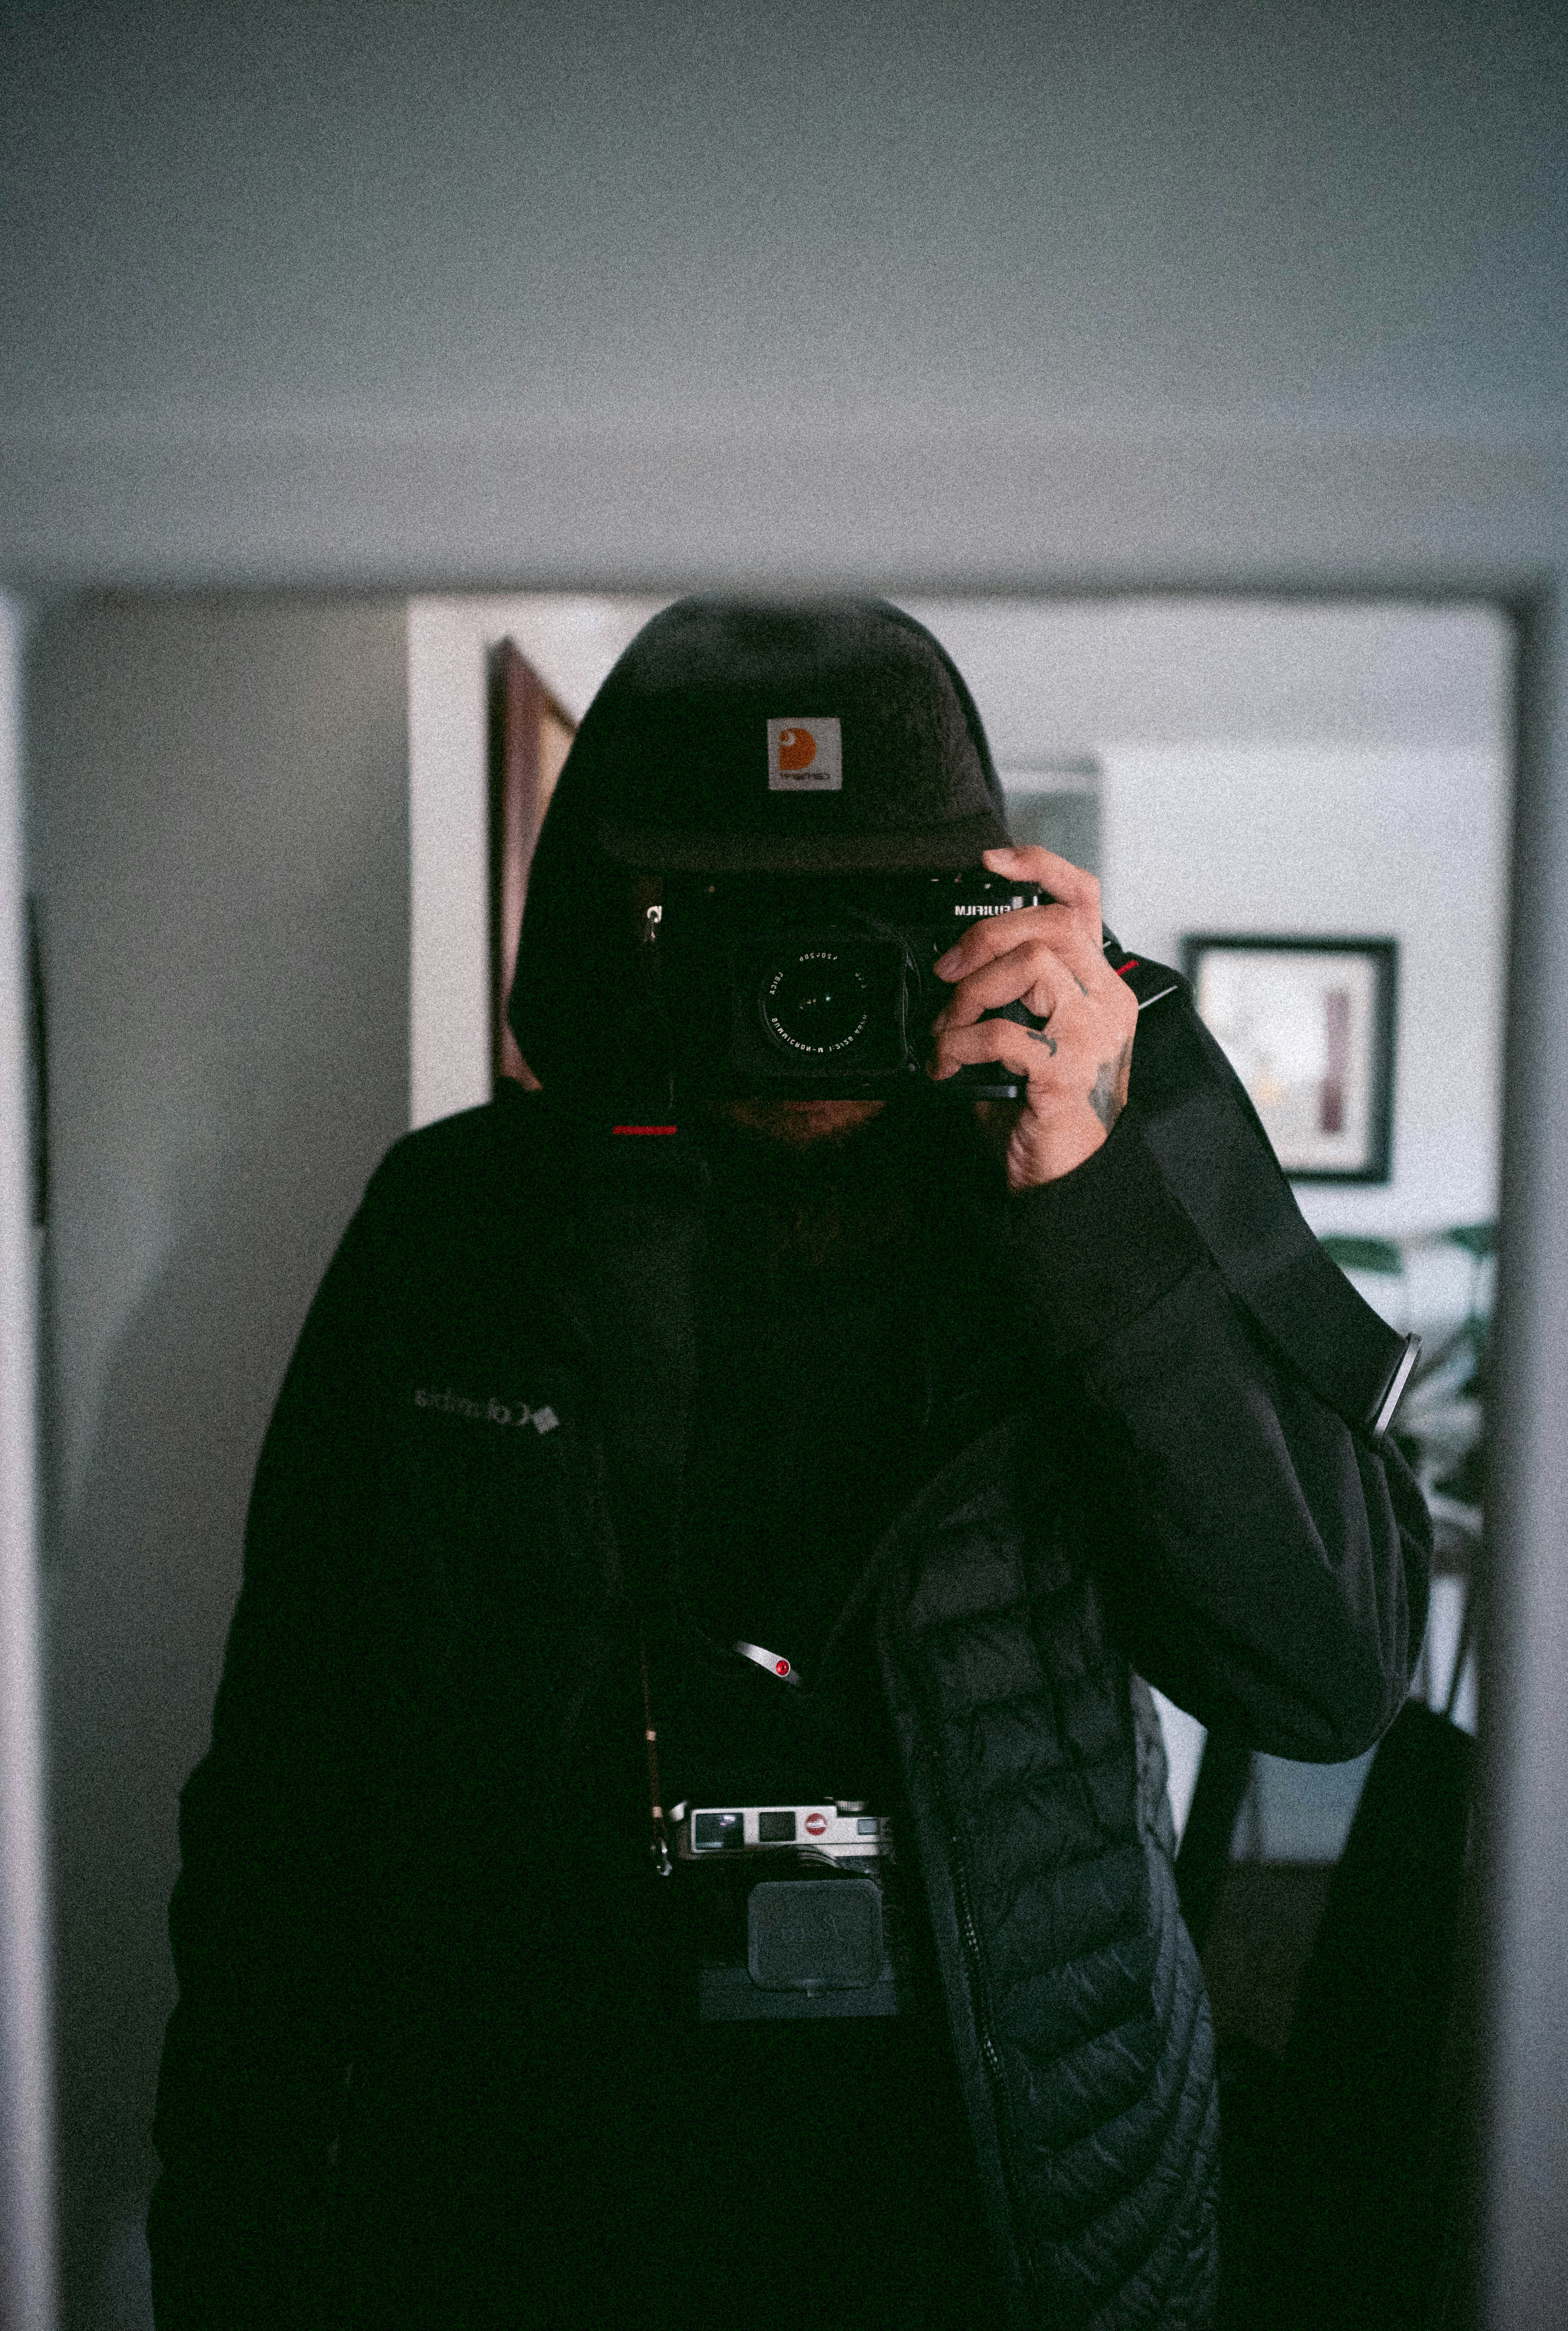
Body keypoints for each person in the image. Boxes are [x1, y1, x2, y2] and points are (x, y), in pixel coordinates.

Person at [148, 598, 1431, 2330]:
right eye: (725, 910)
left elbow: (1330, 1672)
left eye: (865, 911)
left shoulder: (1075, 1200)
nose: (801, 978)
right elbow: (289, 1782)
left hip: (1003, 2194)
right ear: (615, 920)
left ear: (974, 919)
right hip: (530, 2188)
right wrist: (228, 2237)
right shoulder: (461, 1231)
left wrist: (1102, 1207)